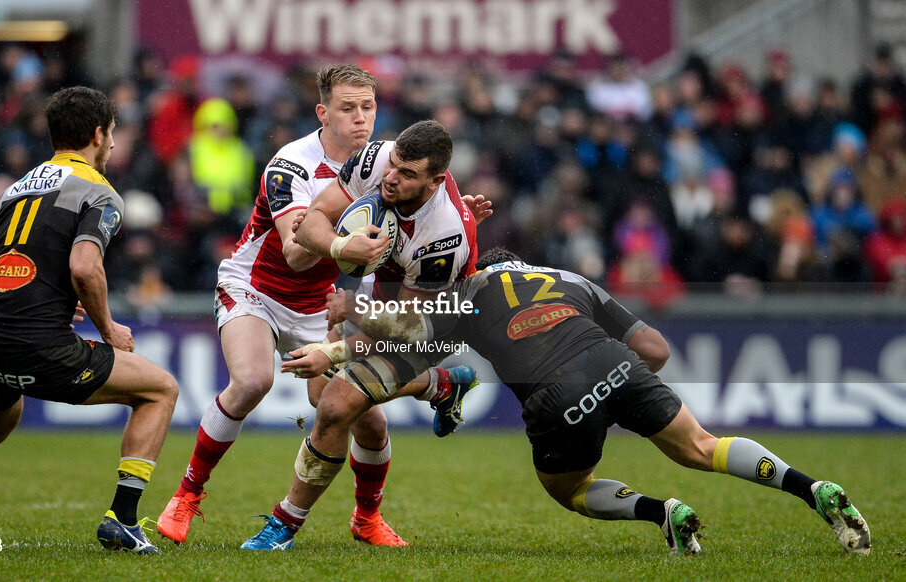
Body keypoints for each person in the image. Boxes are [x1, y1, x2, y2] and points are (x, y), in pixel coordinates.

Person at [285, 247, 871, 556]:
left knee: (567, 489)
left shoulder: (466, 296)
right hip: (613, 361)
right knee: (701, 445)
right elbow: (655, 348)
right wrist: (617, 387)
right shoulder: (568, 277)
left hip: (552, 393)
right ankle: (809, 488)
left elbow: (408, 337)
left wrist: (343, 331)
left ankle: (659, 512)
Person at [155, 66, 491, 548]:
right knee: (253, 380)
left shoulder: (389, 168)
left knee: (364, 416)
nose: (361, 119)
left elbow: (407, 315)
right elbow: (295, 254)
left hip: (328, 303)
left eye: (369, 107)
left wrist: (451, 233)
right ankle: (187, 495)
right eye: (347, 108)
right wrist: (343, 248)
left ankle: (368, 517)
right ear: (323, 112)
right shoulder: (292, 164)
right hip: (259, 287)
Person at [0, 86, 180, 554]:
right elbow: (85, 267)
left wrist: (42, 298)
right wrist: (109, 330)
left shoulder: (15, 189)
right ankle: (123, 520)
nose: (111, 144)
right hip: (40, 345)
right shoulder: (99, 191)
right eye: (110, 134)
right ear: (97, 133)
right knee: (160, 388)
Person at [240, 119, 487, 550]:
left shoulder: (443, 238)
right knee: (336, 402)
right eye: (395, 165)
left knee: (336, 404)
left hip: (433, 319)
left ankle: (284, 525)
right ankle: (441, 389)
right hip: (379, 291)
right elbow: (314, 217)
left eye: (408, 175)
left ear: (434, 184)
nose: (391, 178)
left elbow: (406, 328)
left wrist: (332, 350)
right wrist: (340, 247)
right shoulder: (376, 158)